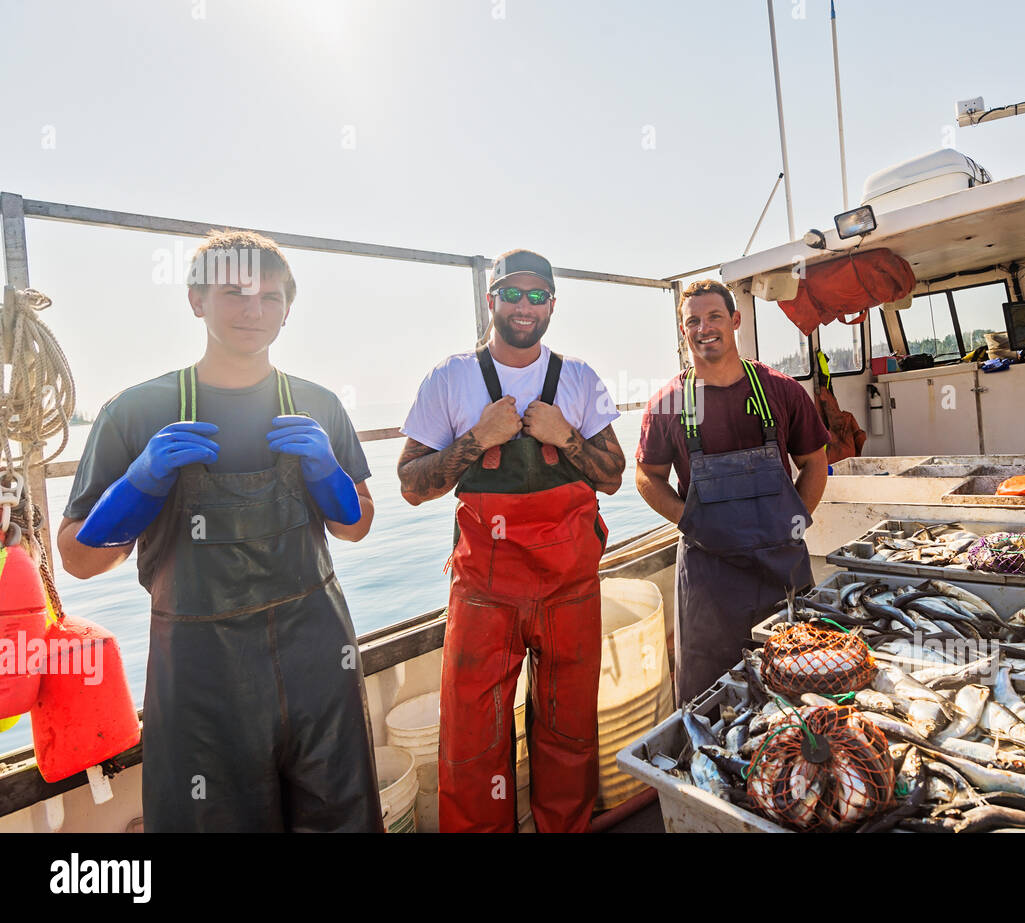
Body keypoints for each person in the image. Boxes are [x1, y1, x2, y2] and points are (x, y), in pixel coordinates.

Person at [58, 230, 382, 832]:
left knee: (342, 816)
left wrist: (328, 472)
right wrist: (139, 483)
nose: (253, 311)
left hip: (318, 657)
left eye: (271, 297)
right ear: (195, 300)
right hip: (201, 674)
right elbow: (77, 557)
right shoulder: (135, 412)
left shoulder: (318, 404)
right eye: (233, 293)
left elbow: (356, 526)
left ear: (289, 309)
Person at [397, 248, 624, 833]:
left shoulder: (580, 379)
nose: (525, 307)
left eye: (537, 295)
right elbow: (411, 486)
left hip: (570, 587)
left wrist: (565, 435)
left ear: (552, 304)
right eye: (512, 294)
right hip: (483, 593)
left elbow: (613, 476)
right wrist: (477, 437)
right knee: (472, 744)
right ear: (490, 298)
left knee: (569, 732)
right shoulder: (448, 379)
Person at [636, 280, 829, 704]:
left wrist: (794, 520)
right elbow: (647, 475)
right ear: (683, 331)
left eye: (714, 317)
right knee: (712, 695)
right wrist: (689, 520)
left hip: (783, 567)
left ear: (735, 320)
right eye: (693, 321)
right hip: (709, 575)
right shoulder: (668, 402)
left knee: (799, 676)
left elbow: (815, 461)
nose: (704, 328)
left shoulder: (780, 390)